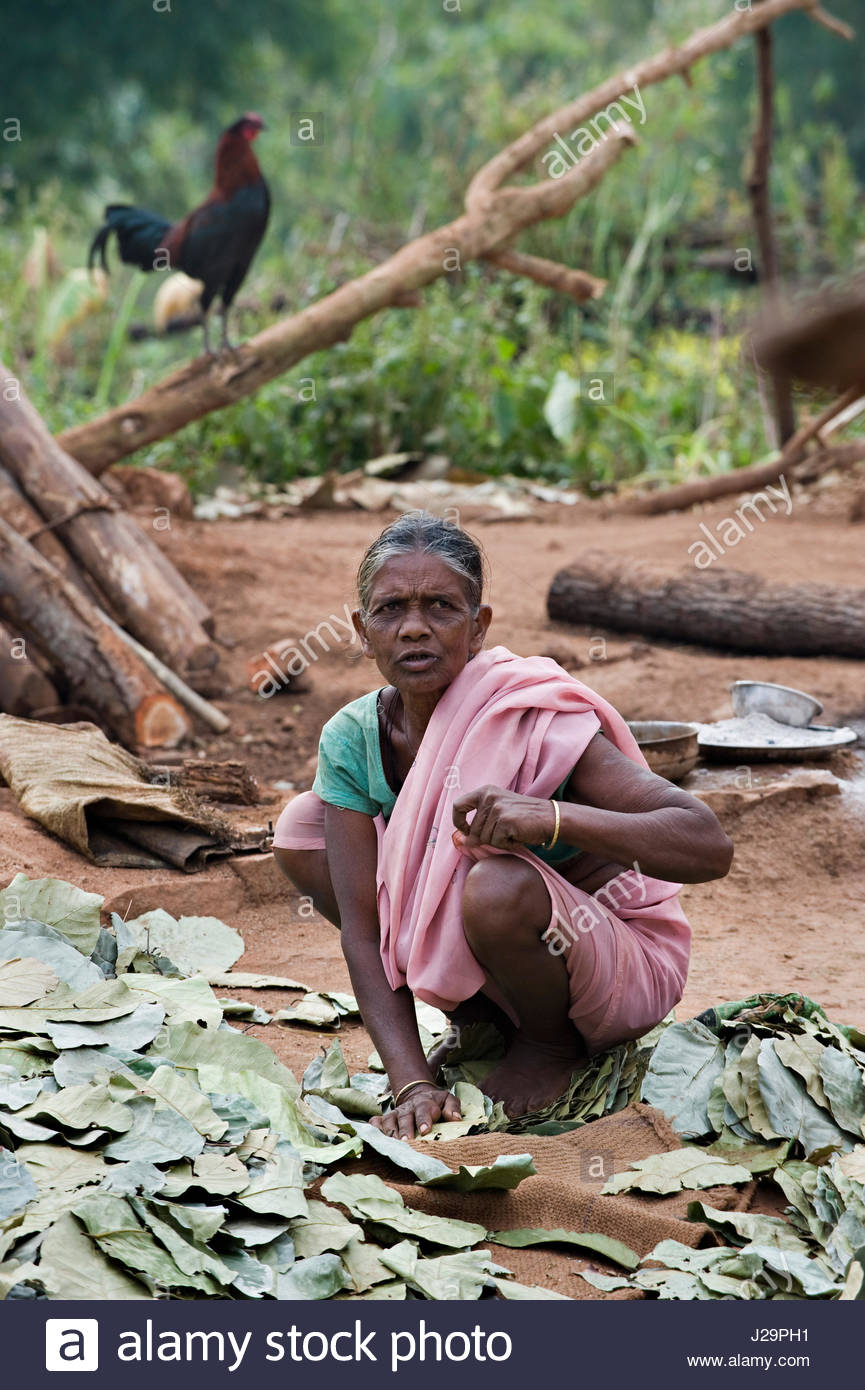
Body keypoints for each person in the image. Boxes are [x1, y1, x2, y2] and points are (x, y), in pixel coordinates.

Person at [273, 512, 733, 1139]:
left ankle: (548, 1047)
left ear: (479, 626)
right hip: (504, 965)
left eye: (441, 606)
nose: (415, 628)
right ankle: (486, 1022)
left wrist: (550, 817)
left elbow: (707, 845)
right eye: (390, 610)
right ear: (362, 630)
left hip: (610, 963)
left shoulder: (529, 717)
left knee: (495, 884)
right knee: (304, 827)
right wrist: (411, 1082)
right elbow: (363, 931)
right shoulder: (354, 738)